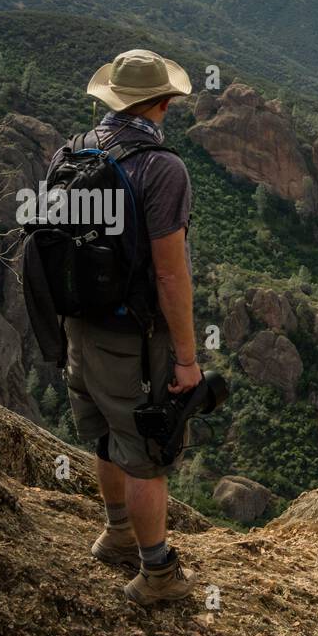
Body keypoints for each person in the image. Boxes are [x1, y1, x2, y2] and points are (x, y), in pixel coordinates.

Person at [55, 49, 201, 606]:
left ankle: (116, 532)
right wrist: (186, 359)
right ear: (164, 102)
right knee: (145, 450)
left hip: (79, 326)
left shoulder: (71, 151)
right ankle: (157, 574)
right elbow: (170, 274)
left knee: (104, 433)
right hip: (135, 337)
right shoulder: (162, 168)